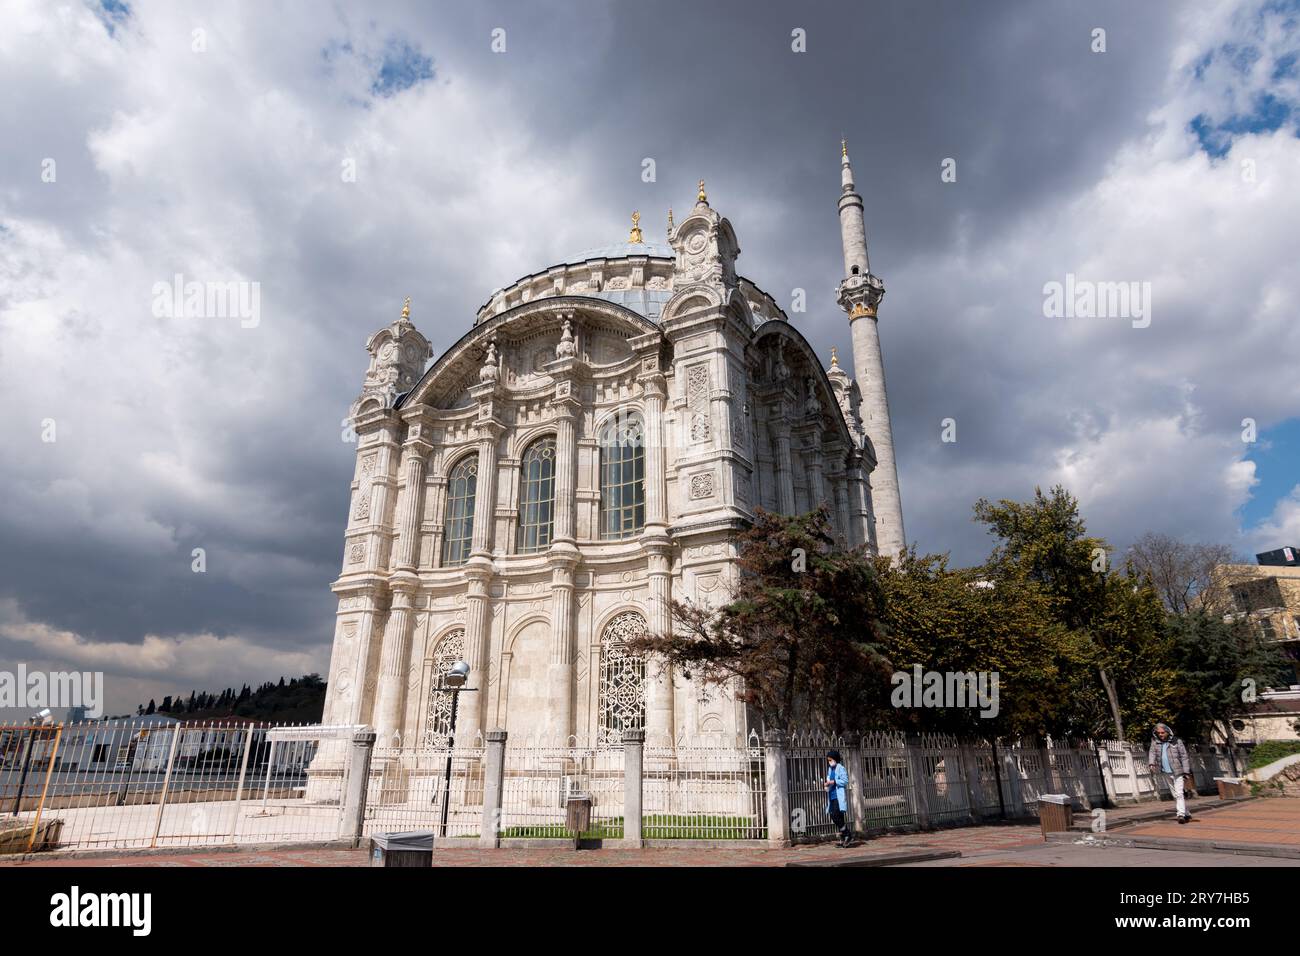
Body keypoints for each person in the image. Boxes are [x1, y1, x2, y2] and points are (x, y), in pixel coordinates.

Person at [1147, 722, 1193, 824]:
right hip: (1166, 772)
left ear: (1167, 732)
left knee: (1179, 793)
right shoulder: (1155, 742)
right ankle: (1187, 813)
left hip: (1178, 771)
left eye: (1162, 732)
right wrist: (1151, 763)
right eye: (1158, 733)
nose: (1160, 735)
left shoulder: (1176, 741)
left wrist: (1186, 771)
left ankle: (1180, 815)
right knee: (1175, 794)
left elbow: (1184, 757)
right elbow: (1152, 752)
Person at [823, 749, 852, 847]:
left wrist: (834, 782)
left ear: (835, 759)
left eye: (830, 760)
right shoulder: (830, 769)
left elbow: (845, 781)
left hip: (838, 796)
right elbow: (829, 778)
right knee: (837, 816)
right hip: (831, 795)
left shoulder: (840, 768)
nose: (829, 762)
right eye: (828, 760)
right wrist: (827, 784)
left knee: (835, 815)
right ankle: (844, 838)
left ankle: (847, 834)